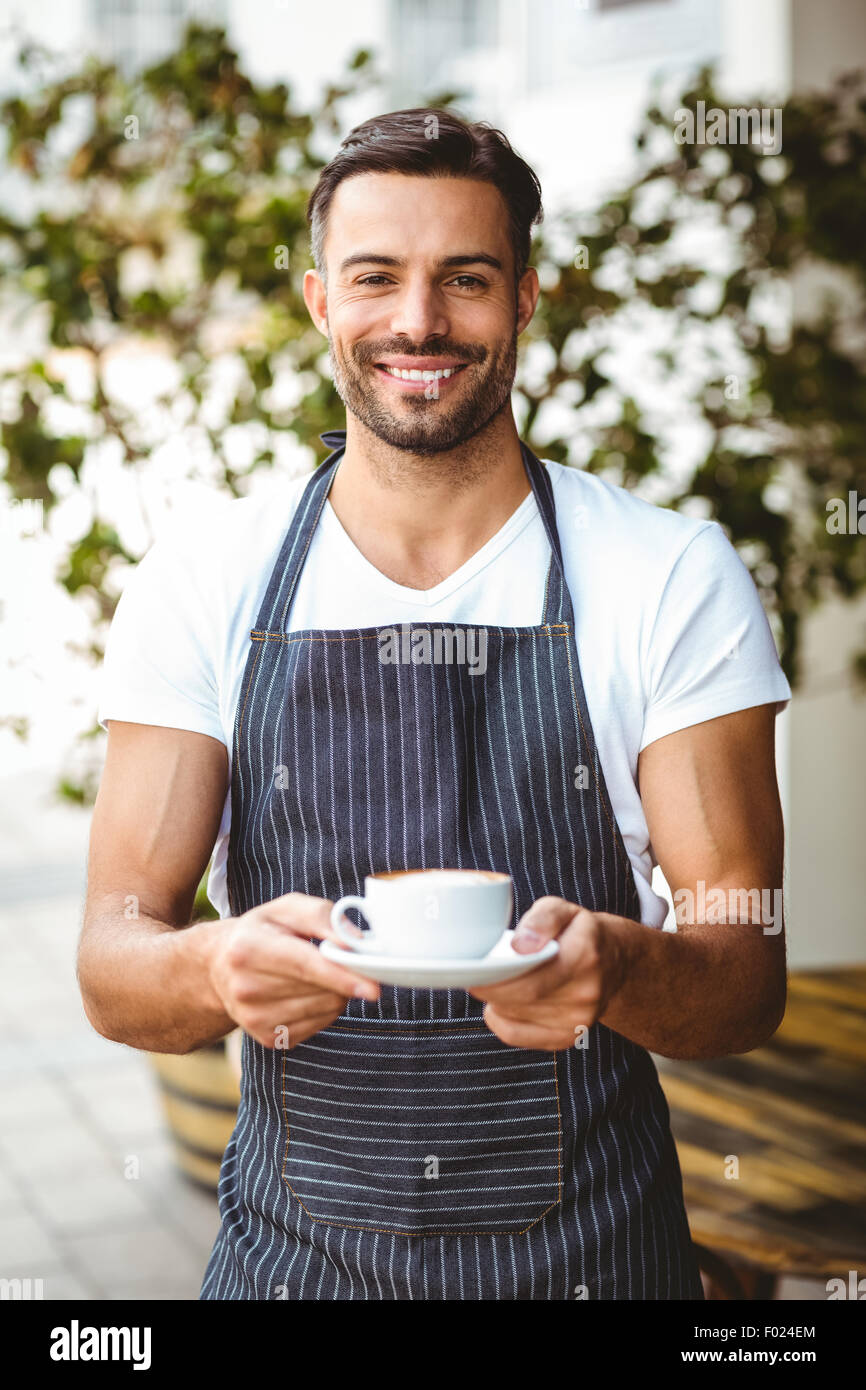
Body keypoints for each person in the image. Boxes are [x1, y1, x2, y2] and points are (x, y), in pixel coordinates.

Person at [80, 108, 790, 1301]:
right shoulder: (210, 574)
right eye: (375, 278)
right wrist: (214, 970)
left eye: (464, 278)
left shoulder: (665, 574)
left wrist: (616, 969)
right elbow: (112, 956)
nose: (417, 322)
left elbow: (742, 972)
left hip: (599, 1267)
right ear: (318, 300)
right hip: (294, 1270)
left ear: (522, 300)